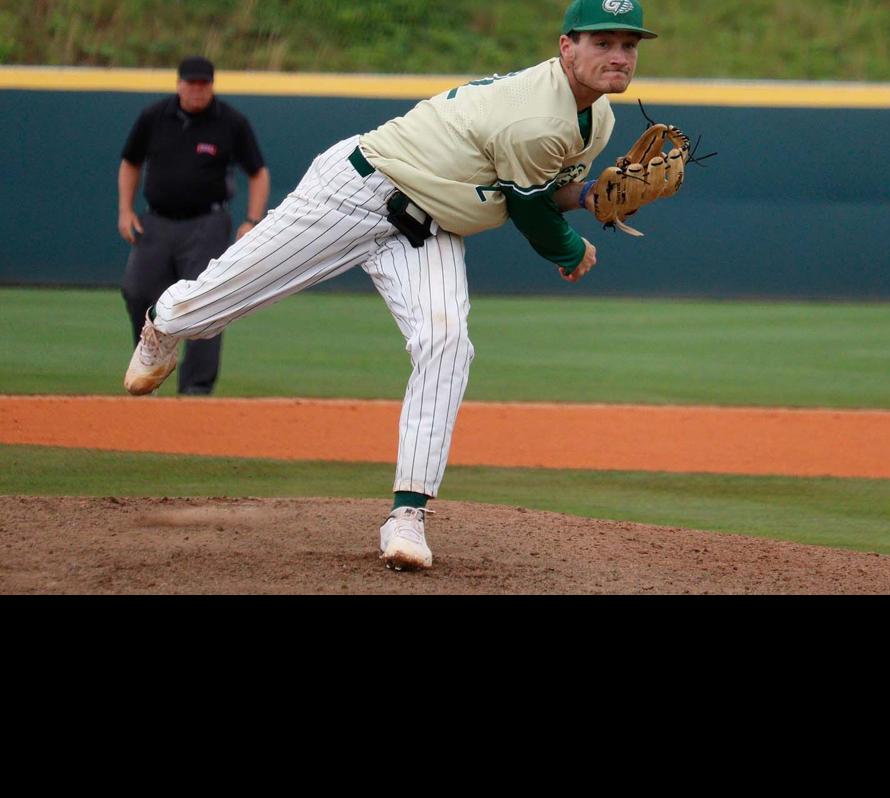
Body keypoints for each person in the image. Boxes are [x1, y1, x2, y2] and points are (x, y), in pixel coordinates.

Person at [123, 0, 657, 571]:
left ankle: (408, 516)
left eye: (628, 45)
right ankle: (165, 322)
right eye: (602, 43)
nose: (618, 56)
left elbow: (544, 188)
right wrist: (571, 251)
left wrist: (591, 198)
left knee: (447, 343)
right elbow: (529, 209)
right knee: (218, 302)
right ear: (566, 46)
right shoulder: (534, 113)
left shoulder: (596, 117)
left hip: (432, 228)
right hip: (357, 191)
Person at [117, 56, 270, 395]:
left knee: (206, 302)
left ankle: (196, 389)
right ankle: (149, 368)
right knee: (138, 291)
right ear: (179, 84)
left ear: (212, 86)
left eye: (204, 84)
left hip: (207, 223)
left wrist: (252, 220)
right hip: (156, 220)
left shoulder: (230, 122)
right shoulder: (154, 117)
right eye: (192, 83)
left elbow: (258, 171)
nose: (198, 90)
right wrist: (125, 210)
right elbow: (130, 162)